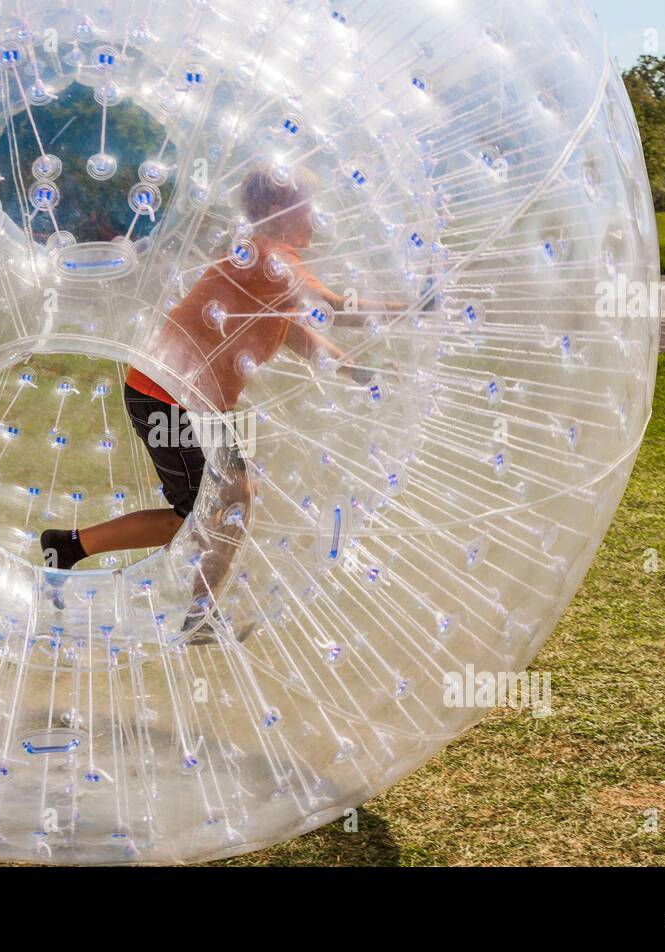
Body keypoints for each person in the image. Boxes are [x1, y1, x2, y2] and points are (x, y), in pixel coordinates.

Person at [40, 167, 405, 641]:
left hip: (194, 402)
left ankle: (81, 554)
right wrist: (413, 307)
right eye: (310, 210)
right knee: (211, 509)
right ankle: (192, 613)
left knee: (225, 503)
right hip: (167, 396)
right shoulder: (268, 254)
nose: (317, 221)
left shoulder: (266, 263)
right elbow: (332, 307)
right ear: (280, 212)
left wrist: (355, 370)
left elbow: (293, 329)